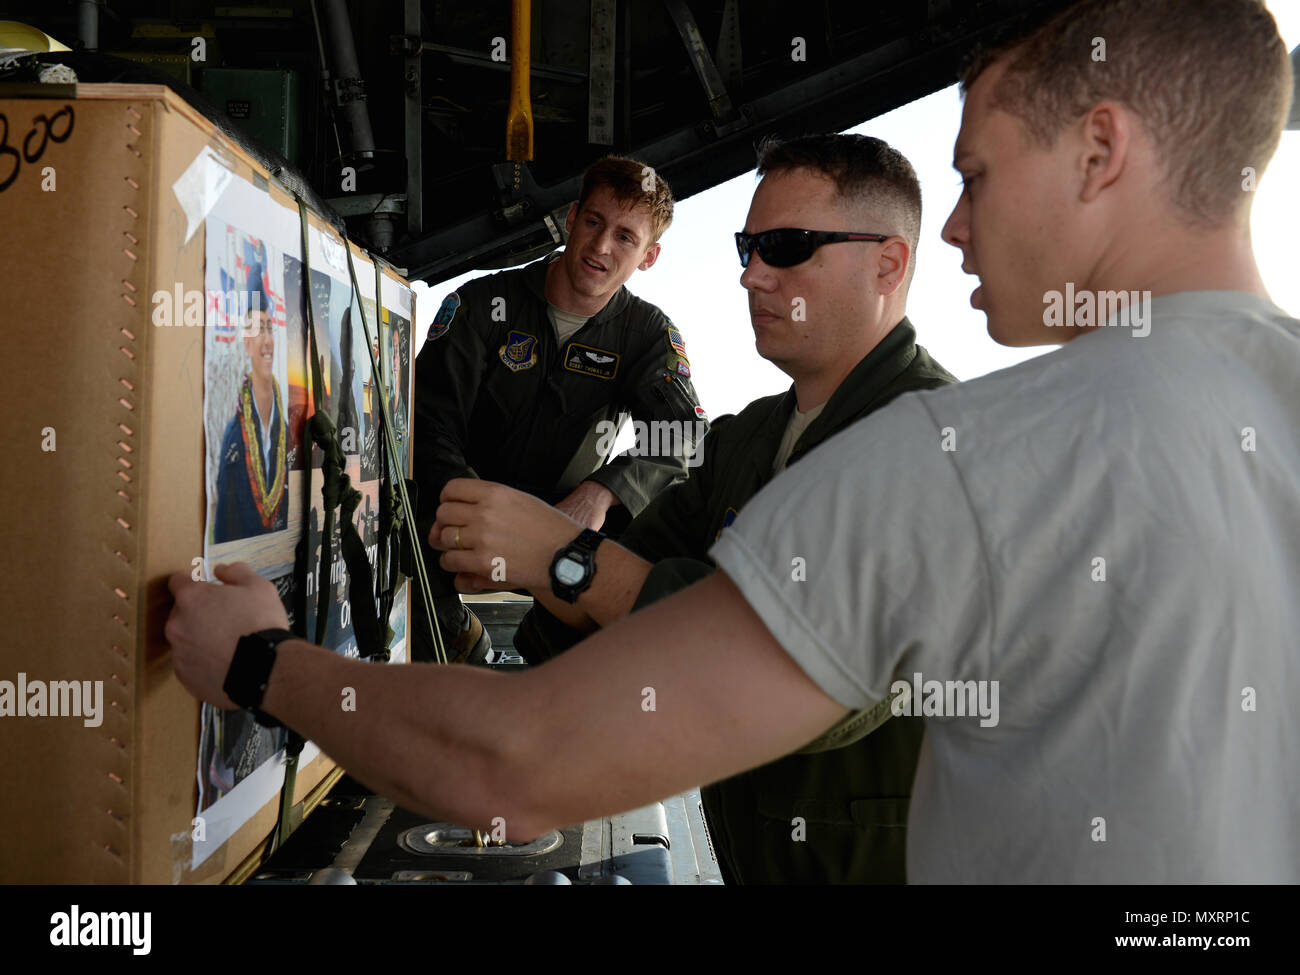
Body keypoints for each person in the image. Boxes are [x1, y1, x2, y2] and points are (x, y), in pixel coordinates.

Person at [168, 0, 1299, 882]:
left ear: (1099, 153)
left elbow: (516, 762)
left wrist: (264, 663)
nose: (954, 223)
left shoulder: (960, 458)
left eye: (974, 175)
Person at [438, 133, 956, 883]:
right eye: (749, 247)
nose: (750, 275)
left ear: (888, 262)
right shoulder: (748, 443)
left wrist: (561, 550)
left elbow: (794, 669)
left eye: (785, 247)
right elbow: (626, 587)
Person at [411, 156, 706, 663]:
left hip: (568, 523)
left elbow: (683, 434)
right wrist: (478, 517)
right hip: (462, 503)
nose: (600, 246)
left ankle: (574, 678)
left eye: (625, 237)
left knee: (670, 533)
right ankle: (455, 634)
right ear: (570, 219)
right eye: (593, 223)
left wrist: (604, 491)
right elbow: (430, 421)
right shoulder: (483, 303)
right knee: (392, 506)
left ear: (649, 256)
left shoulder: (647, 334)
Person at [213, 263, 288, 542]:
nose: (267, 340)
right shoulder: (234, 438)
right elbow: (223, 534)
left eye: (269, 328)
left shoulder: (285, 431)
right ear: (246, 343)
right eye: (258, 330)